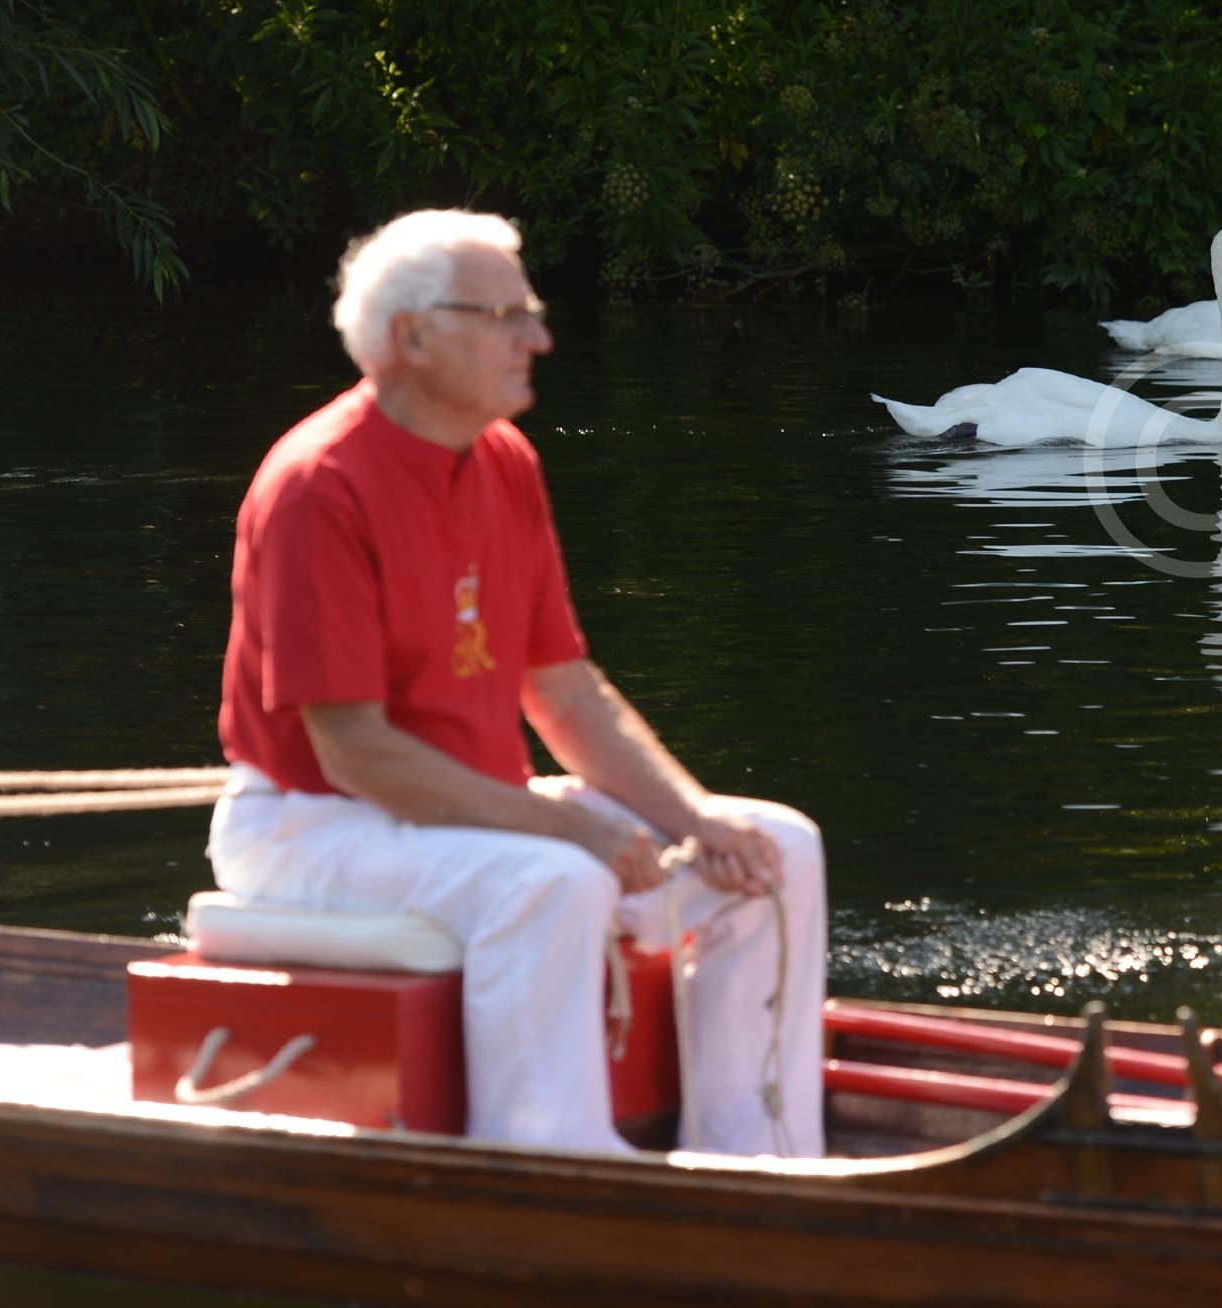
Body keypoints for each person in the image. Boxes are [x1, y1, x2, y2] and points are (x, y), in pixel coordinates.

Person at [210, 209, 827, 1156]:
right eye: (504, 316)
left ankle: (761, 1162)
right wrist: (570, 827)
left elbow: (565, 693)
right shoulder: (318, 483)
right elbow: (357, 754)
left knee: (773, 851)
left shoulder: (505, 461)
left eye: (530, 313)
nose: (536, 338)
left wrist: (695, 818)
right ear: (412, 337)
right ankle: (552, 1167)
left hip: (470, 814)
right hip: (310, 825)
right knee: (555, 880)